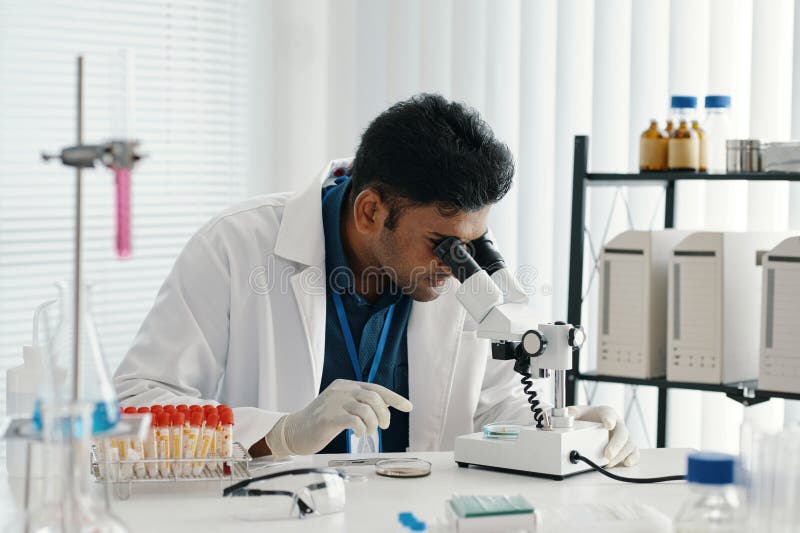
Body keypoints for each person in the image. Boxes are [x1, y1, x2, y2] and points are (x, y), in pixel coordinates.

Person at [114, 94, 639, 467]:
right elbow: (134, 402)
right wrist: (278, 434)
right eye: (444, 244)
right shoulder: (235, 246)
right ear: (370, 211)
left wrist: (565, 429)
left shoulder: (458, 277)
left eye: (474, 242)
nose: (459, 265)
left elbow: (497, 409)